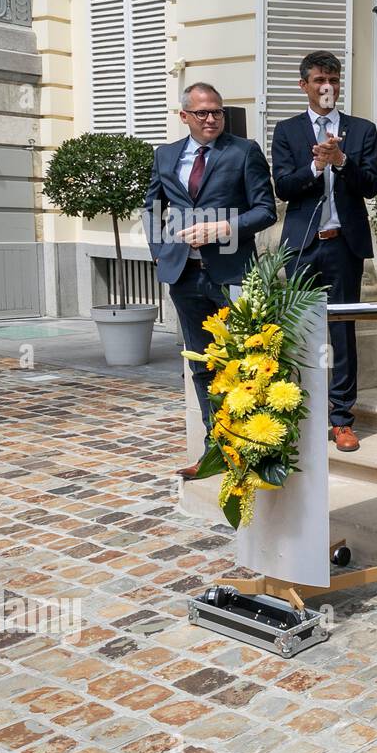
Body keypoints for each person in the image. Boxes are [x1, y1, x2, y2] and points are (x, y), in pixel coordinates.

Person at [143, 82, 277, 479]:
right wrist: (160, 250)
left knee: (245, 364)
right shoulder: (165, 155)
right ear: (184, 116)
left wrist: (222, 229)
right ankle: (214, 450)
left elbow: (265, 211)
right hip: (184, 276)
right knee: (202, 367)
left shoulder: (243, 151)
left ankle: (253, 449)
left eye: (216, 111)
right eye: (201, 112)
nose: (211, 118)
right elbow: (152, 207)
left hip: (232, 275)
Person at [271, 50, 377, 453]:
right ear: (304, 85)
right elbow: (283, 186)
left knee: (342, 331)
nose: (327, 86)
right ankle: (302, 411)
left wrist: (342, 160)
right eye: (319, 80)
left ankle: (341, 418)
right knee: (299, 331)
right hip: (302, 246)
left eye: (333, 79)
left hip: (344, 246)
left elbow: (371, 185)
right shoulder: (287, 131)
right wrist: (317, 168)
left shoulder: (361, 129)